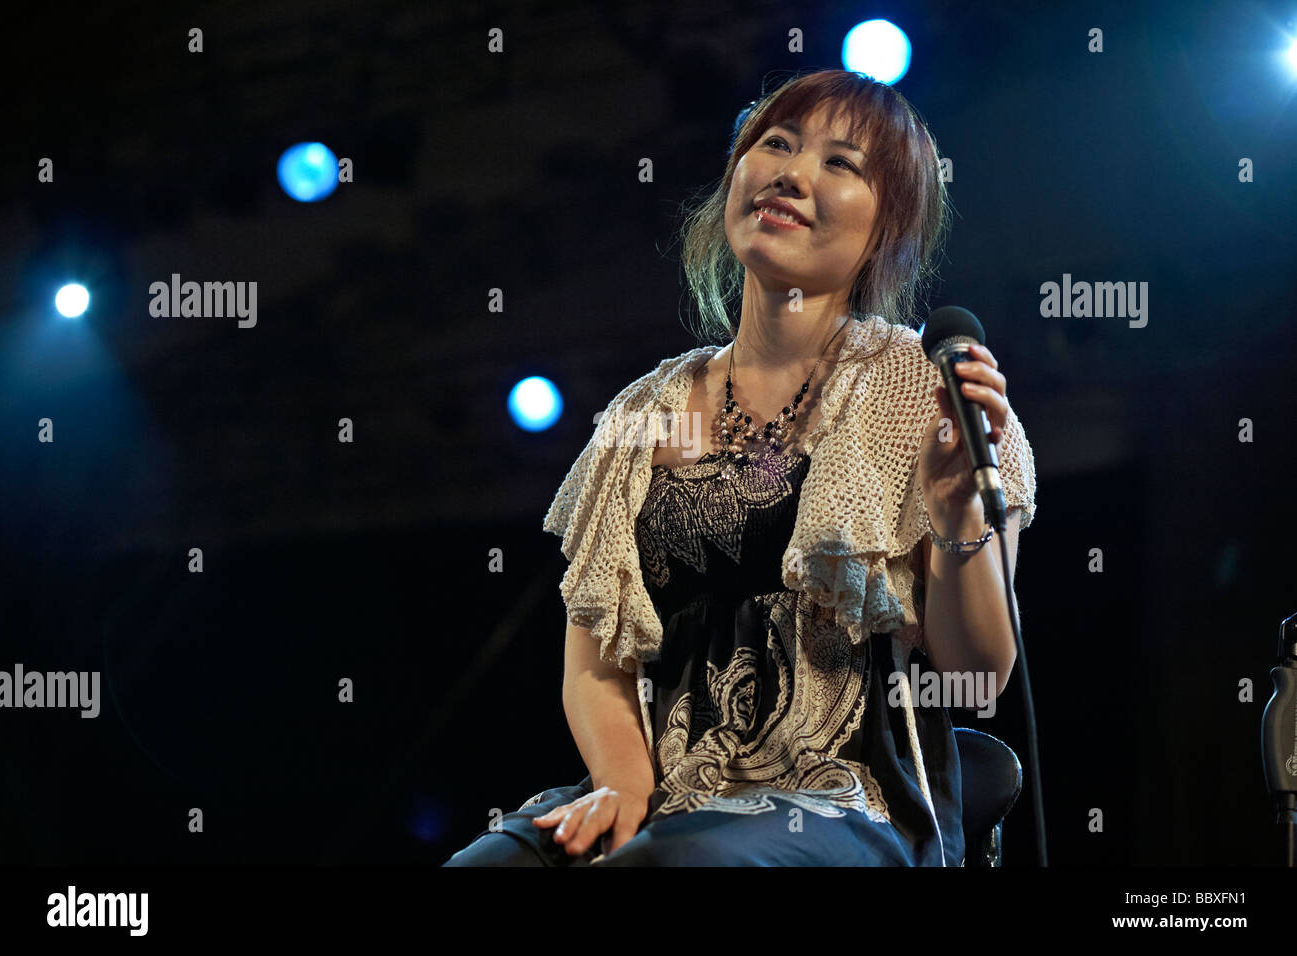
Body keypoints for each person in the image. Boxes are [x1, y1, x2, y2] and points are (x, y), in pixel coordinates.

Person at [443, 68, 1037, 867]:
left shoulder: (922, 392)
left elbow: (980, 678)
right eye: (777, 144)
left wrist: (959, 513)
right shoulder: (642, 410)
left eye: (841, 163)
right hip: (666, 796)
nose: (793, 172)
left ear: (887, 228)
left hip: (848, 805)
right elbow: (594, 664)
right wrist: (622, 784)